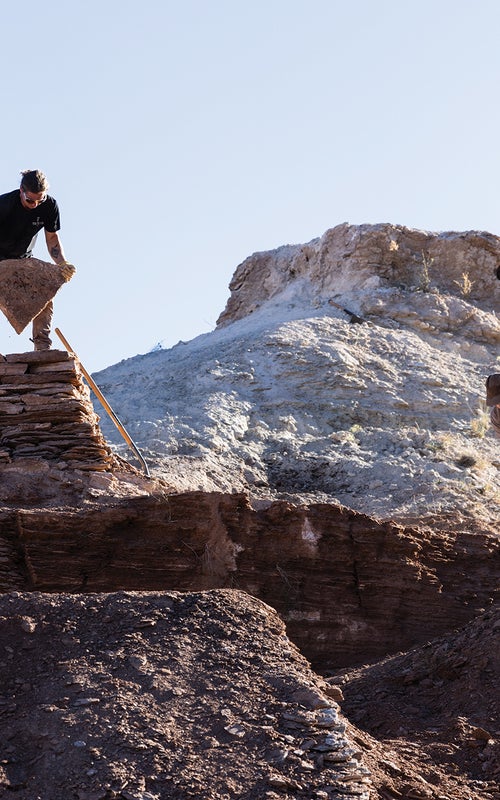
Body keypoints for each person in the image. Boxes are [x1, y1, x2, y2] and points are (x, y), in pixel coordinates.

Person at [0, 169, 73, 350]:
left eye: (39, 200)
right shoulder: (4, 205)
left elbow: (52, 239)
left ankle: (42, 346)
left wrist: (62, 264)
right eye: (30, 200)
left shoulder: (49, 206)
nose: (34, 205)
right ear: (21, 191)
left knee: (46, 287)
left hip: (23, 260)